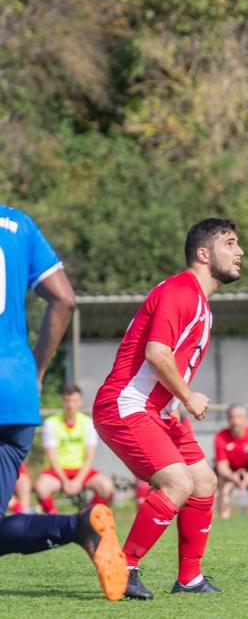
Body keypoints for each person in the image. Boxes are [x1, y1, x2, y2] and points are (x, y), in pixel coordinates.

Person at [92, 218, 243, 599]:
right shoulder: (182, 291)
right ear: (204, 254)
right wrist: (188, 396)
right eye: (231, 243)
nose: (240, 252)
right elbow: (156, 354)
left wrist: (174, 400)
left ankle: (189, 578)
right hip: (124, 405)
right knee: (177, 483)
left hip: (156, 411)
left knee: (204, 482)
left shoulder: (199, 302)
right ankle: (122, 567)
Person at [0, 204, 126, 600]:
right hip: (17, 390)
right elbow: (64, 299)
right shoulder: (18, 223)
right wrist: (35, 370)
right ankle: (79, 526)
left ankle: (77, 527)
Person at [35, 384, 115, 514]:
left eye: (75, 401)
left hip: (81, 471)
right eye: (67, 400)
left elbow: (90, 457)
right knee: (41, 487)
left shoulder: (88, 423)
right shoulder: (51, 423)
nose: (71, 405)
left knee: (106, 486)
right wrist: (65, 481)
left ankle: (88, 517)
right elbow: (52, 456)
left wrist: (78, 481)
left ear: (81, 402)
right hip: (57, 471)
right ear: (62, 401)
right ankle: (56, 521)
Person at [214, 404, 248, 519]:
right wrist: (233, 477)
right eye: (232, 417)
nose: (236, 421)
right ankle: (224, 519)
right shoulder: (220, 437)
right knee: (223, 483)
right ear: (228, 419)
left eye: (240, 417)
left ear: (246, 419)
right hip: (230, 472)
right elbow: (222, 467)